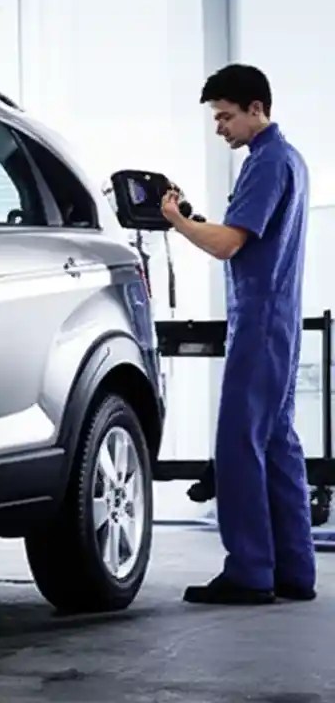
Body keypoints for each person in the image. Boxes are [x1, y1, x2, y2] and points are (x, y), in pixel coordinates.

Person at [161, 63, 316, 605]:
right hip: (281, 318)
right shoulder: (289, 159)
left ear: (257, 109)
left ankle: (250, 572)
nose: (220, 128)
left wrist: (177, 220)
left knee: (238, 445)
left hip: (260, 321)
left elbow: (227, 243)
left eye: (226, 117)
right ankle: (295, 571)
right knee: (277, 443)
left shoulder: (267, 162)